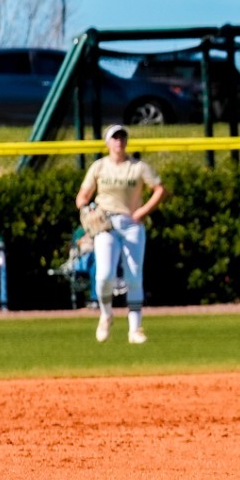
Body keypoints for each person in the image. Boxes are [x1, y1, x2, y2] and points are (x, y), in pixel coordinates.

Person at [74, 124, 166, 344]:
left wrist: (143, 211)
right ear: (107, 142)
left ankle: (135, 329)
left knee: (134, 276)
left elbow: (159, 189)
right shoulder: (99, 167)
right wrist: (87, 209)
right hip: (106, 224)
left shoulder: (138, 167)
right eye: (115, 138)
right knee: (104, 274)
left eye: (122, 137)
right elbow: (82, 197)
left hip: (131, 223)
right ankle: (106, 315)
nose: (119, 141)